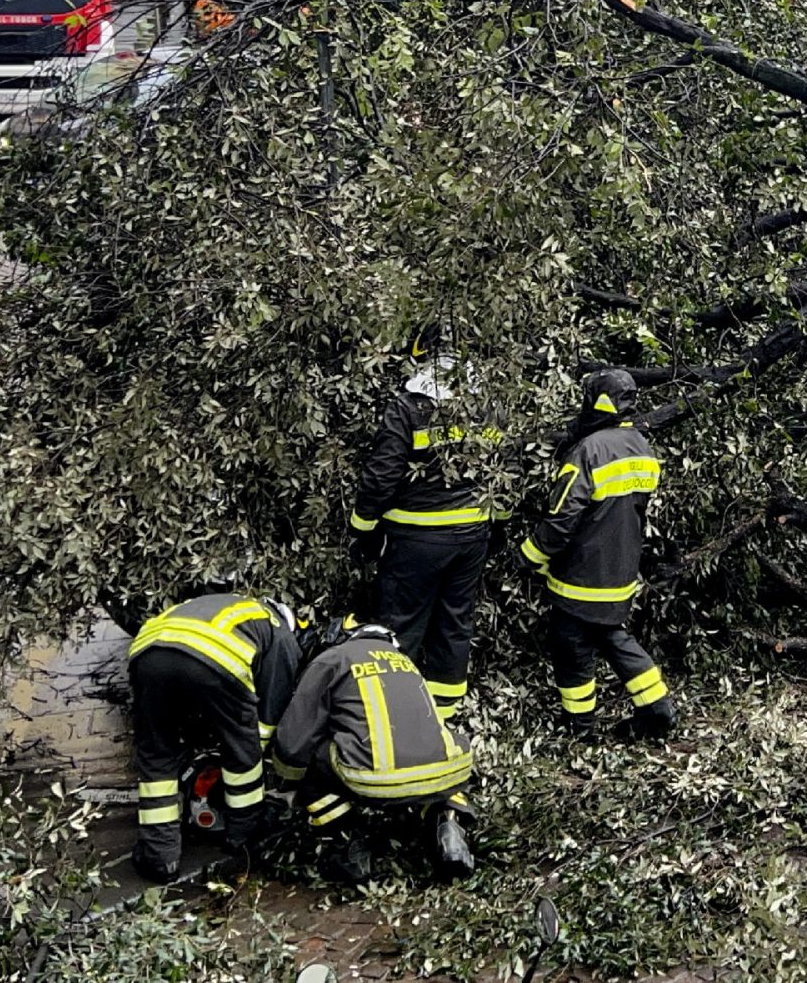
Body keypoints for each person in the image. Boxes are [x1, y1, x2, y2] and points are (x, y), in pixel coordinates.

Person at [349, 342, 501, 721]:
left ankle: (395, 716)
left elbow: (381, 476)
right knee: (454, 623)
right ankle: (444, 718)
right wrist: (499, 523)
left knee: (400, 625)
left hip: (415, 539)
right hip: (471, 536)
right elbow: (507, 463)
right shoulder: (485, 403)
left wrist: (362, 529)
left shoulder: (408, 407)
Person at [521, 372, 676, 740]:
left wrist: (530, 555)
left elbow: (562, 517)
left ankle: (581, 728)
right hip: (621, 572)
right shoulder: (642, 446)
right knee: (612, 636)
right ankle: (657, 708)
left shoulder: (589, 450)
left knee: (570, 646)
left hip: (581, 576)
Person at [270, 617, 475, 885]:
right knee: (435, 754)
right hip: (449, 773)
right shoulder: (407, 663)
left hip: (374, 780)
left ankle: (349, 847)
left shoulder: (333, 659)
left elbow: (294, 741)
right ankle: (448, 823)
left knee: (312, 754)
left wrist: (286, 779)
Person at [125, 589, 304, 882]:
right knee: (242, 748)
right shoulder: (279, 630)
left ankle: (160, 858)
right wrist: (250, 749)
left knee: (157, 753)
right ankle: (243, 834)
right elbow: (269, 716)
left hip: (148, 654)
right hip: (213, 657)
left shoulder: (228, 605)